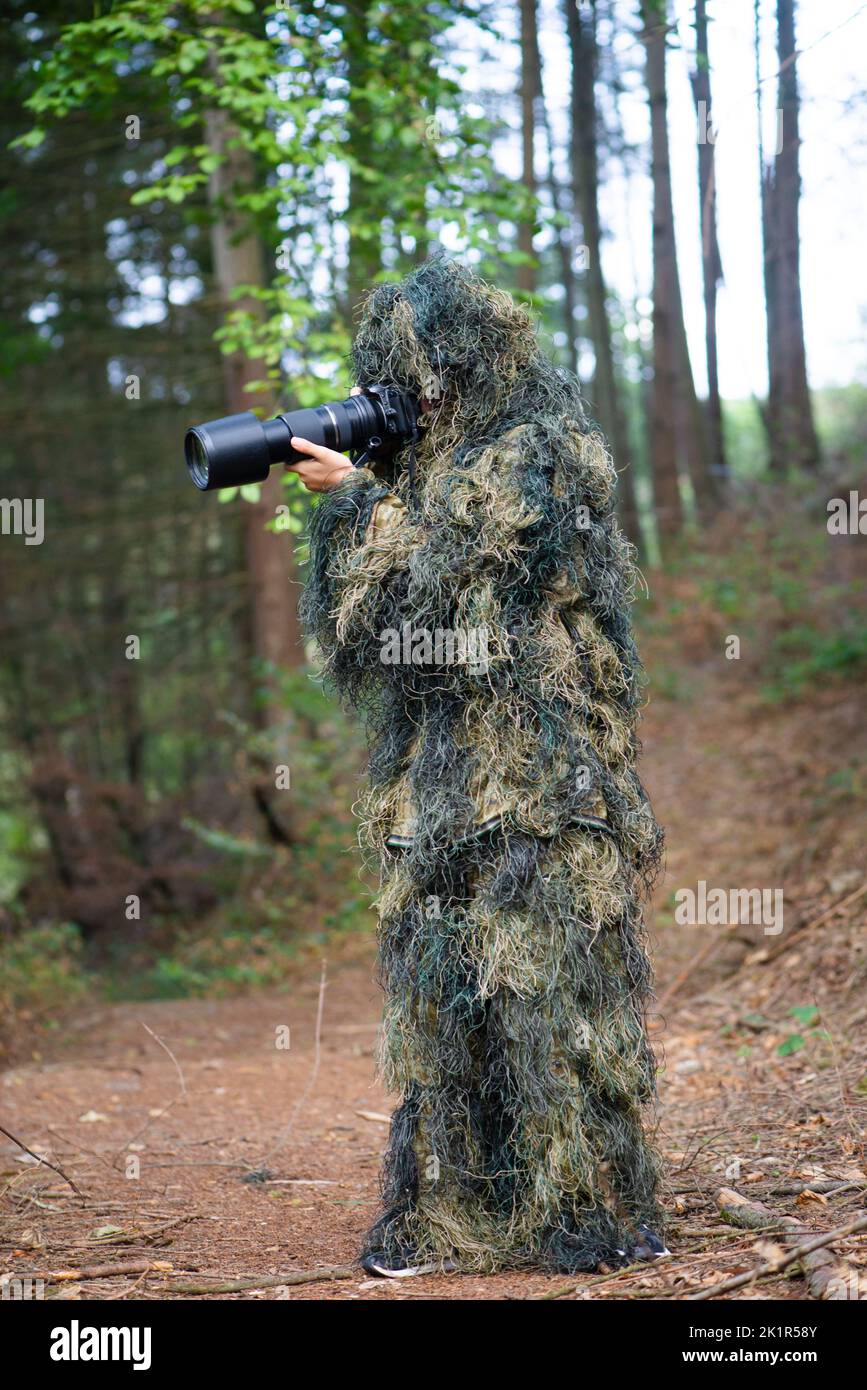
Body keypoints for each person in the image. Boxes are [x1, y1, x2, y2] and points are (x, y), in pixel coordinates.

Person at [292, 257, 666, 1277]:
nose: (412, 397)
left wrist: (360, 506)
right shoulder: (414, 477)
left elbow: (471, 605)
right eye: (398, 379)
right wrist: (359, 501)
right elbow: (356, 645)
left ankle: (579, 1212)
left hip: (544, 789)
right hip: (434, 788)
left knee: (553, 1004)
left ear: (471, 362)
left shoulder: (546, 450)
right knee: (441, 1006)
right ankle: (467, 1212)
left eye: (426, 374)